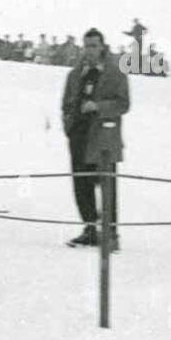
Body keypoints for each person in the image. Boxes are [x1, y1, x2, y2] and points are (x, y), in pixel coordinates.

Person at [61, 28, 130, 249]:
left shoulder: (116, 71)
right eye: (86, 45)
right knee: (81, 184)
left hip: (103, 138)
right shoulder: (75, 73)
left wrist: (98, 107)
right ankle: (89, 229)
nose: (89, 50)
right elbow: (66, 104)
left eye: (93, 46)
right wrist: (69, 126)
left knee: (106, 185)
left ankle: (111, 234)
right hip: (79, 136)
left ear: (102, 46)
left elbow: (123, 103)